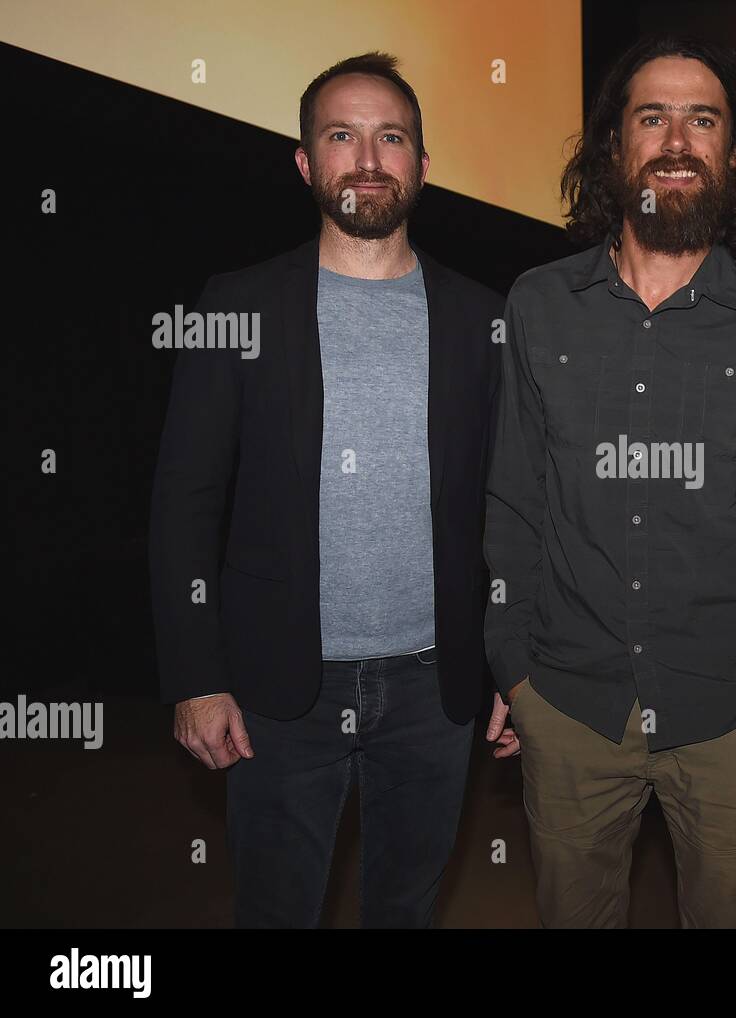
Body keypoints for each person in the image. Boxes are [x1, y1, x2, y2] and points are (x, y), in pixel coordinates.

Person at [483, 35, 736, 928]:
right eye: (653, 117)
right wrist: (513, 668)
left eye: (702, 119)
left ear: (731, 155)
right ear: (615, 149)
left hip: (735, 718)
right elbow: (515, 500)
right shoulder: (535, 304)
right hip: (567, 709)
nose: (677, 139)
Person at [150, 52, 502, 927]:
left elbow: (515, 511)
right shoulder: (236, 305)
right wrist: (195, 676)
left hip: (438, 690)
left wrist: (517, 670)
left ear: (422, 164)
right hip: (277, 693)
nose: (368, 158)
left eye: (391, 137)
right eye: (341, 136)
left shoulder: (485, 318)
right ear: (307, 164)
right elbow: (181, 508)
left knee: (405, 910)